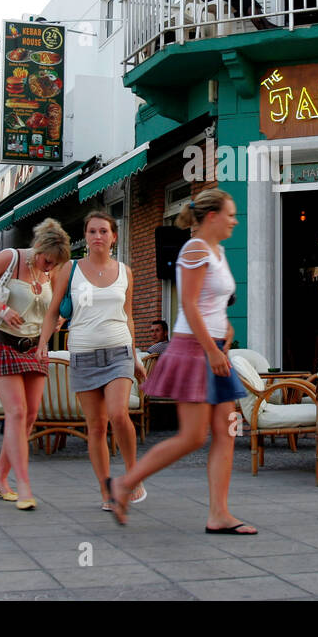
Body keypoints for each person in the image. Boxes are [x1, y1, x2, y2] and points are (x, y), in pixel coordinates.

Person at [103, 189, 252, 532]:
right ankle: (125, 483)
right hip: (196, 350)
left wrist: (225, 330)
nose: (234, 220)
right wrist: (212, 350)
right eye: (231, 214)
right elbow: (187, 304)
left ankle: (219, 514)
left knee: (227, 431)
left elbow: (213, 302)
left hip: (214, 348)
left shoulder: (217, 250)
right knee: (193, 437)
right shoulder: (195, 248)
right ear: (212, 216)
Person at [39, 211, 147, 511]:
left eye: (103, 231)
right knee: (96, 427)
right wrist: (41, 345)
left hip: (119, 353)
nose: (97, 236)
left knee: (118, 414)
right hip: (83, 354)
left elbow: (128, 316)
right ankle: (106, 492)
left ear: (114, 236)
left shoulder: (125, 272)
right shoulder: (69, 269)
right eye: (91, 232)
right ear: (85, 237)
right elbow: (51, 313)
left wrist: (135, 357)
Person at [0, 217, 71, 510]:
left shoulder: (55, 270)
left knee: (31, 414)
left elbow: (57, 309)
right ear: (39, 248)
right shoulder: (11, 257)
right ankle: (23, 486)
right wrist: (2, 307)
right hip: (1, 341)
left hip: (34, 346)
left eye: (55, 263)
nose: (49, 267)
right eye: (47, 260)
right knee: (17, 411)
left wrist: (53, 329)